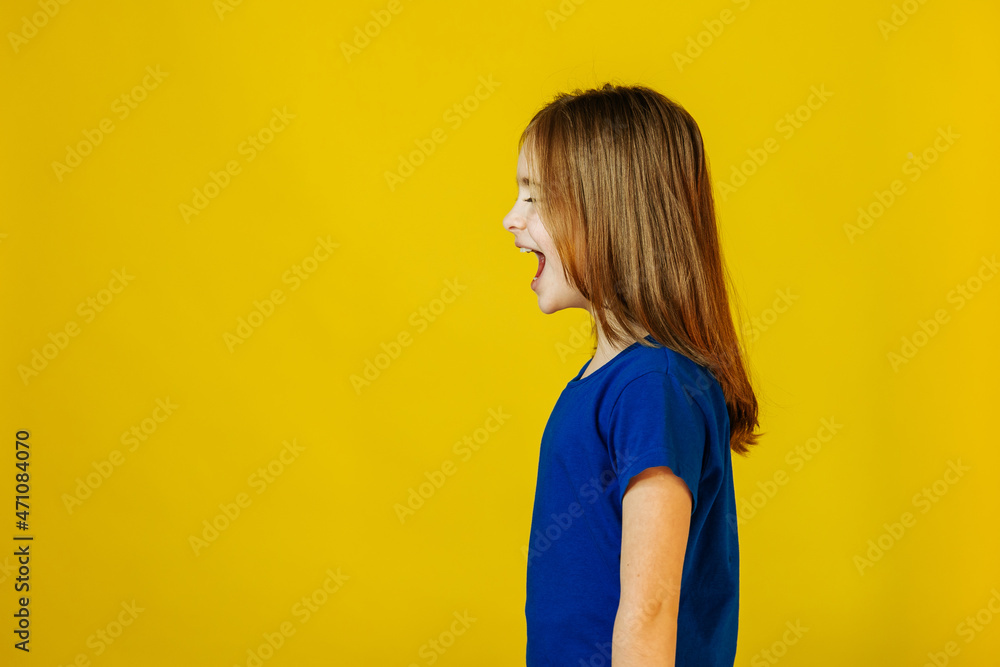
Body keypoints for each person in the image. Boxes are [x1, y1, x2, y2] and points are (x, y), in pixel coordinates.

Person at [502, 83, 763, 666]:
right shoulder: (616, 381)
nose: (510, 219)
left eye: (535, 199)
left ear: (611, 211)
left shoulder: (653, 387)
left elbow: (649, 608)